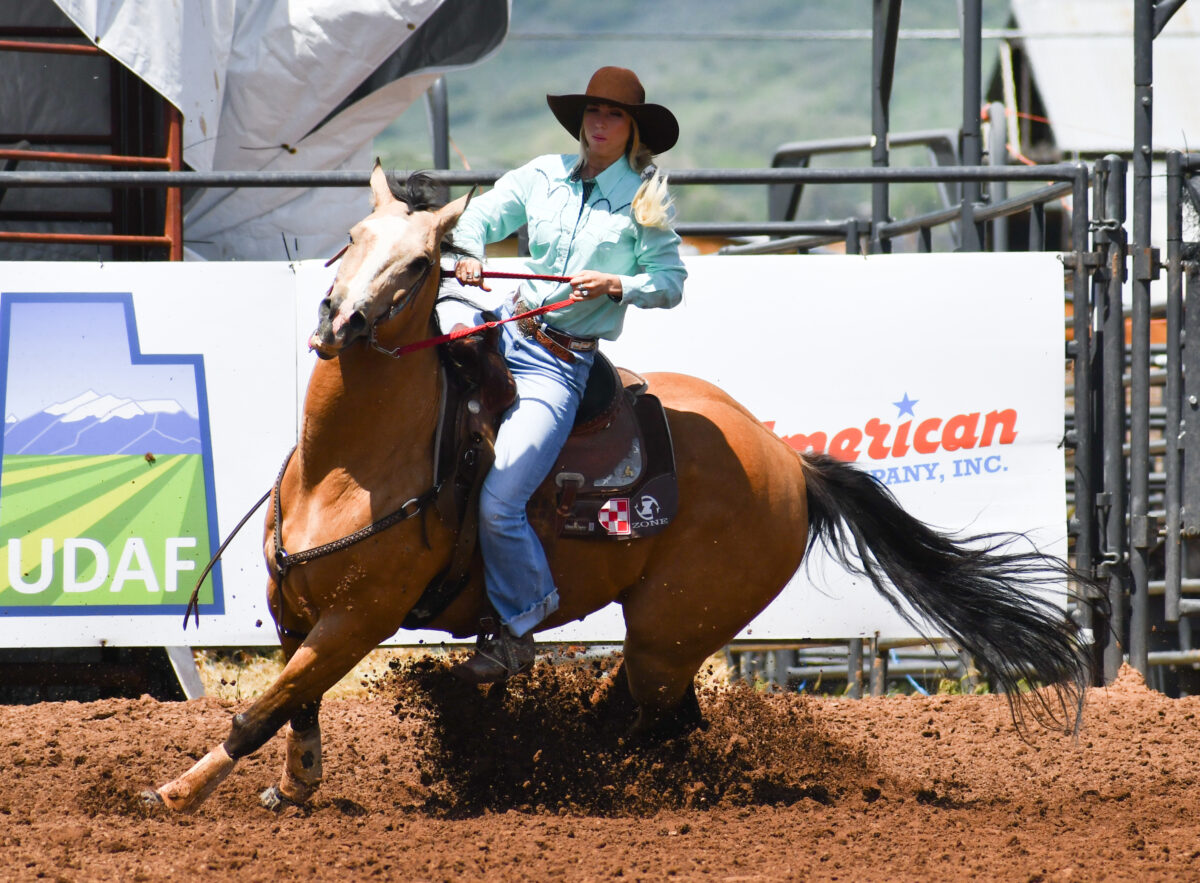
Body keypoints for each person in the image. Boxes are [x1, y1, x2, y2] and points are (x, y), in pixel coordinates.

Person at [449, 66, 688, 684]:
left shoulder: (646, 202)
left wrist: (618, 284)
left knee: (502, 499)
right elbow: (477, 219)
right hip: (502, 332)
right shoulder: (541, 175)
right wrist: (470, 255)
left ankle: (521, 626)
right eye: (592, 112)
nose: (599, 123)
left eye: (612, 115)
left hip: (562, 362)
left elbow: (670, 284)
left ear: (632, 129)